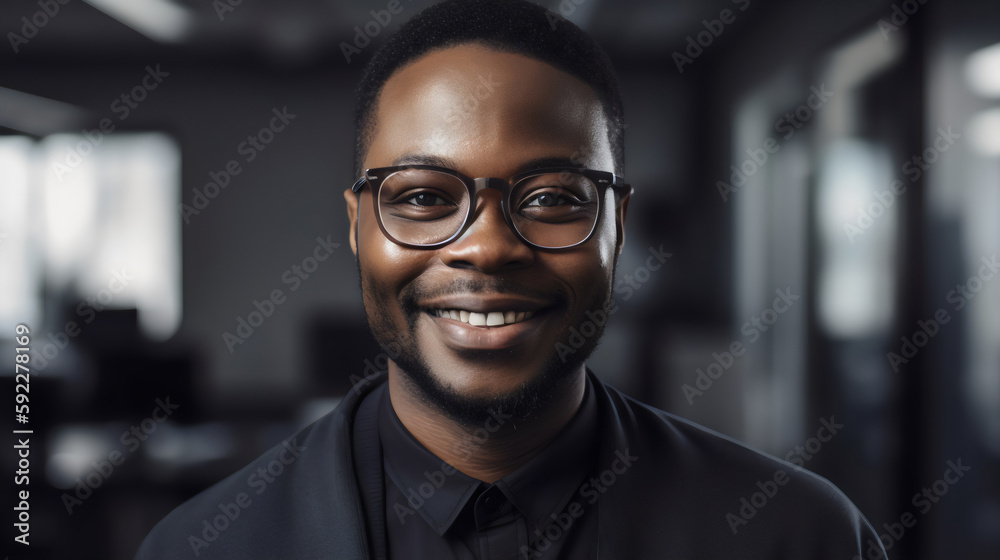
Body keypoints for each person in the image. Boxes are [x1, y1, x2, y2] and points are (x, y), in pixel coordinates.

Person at [135, 1, 888, 558]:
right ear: (359, 226)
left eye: (554, 197)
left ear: (618, 225)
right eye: (425, 197)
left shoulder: (804, 538)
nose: (488, 248)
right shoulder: (197, 550)